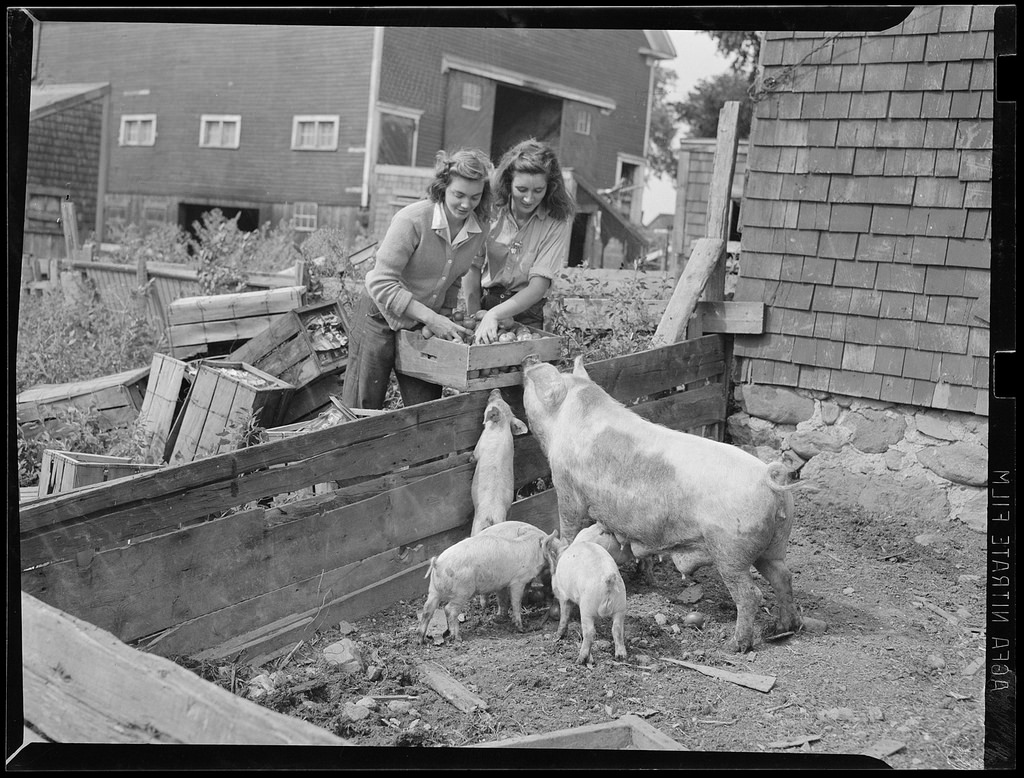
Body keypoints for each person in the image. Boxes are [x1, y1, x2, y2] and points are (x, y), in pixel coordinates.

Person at [342, 148, 493, 409]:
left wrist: (442, 318)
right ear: (443, 187)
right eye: (458, 195)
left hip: (421, 323)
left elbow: (454, 278)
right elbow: (380, 282)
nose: (466, 204)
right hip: (378, 316)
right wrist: (432, 318)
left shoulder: (478, 229)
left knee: (425, 407)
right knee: (363, 406)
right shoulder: (412, 220)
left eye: (475, 197)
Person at [465, 139, 576, 344]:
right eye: (522, 189)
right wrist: (476, 316)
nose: (529, 198)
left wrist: (495, 314)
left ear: (550, 187)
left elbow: (538, 286)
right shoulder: (490, 209)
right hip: (485, 304)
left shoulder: (556, 221)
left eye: (538, 190)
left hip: (528, 312)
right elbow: (472, 267)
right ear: (508, 183)